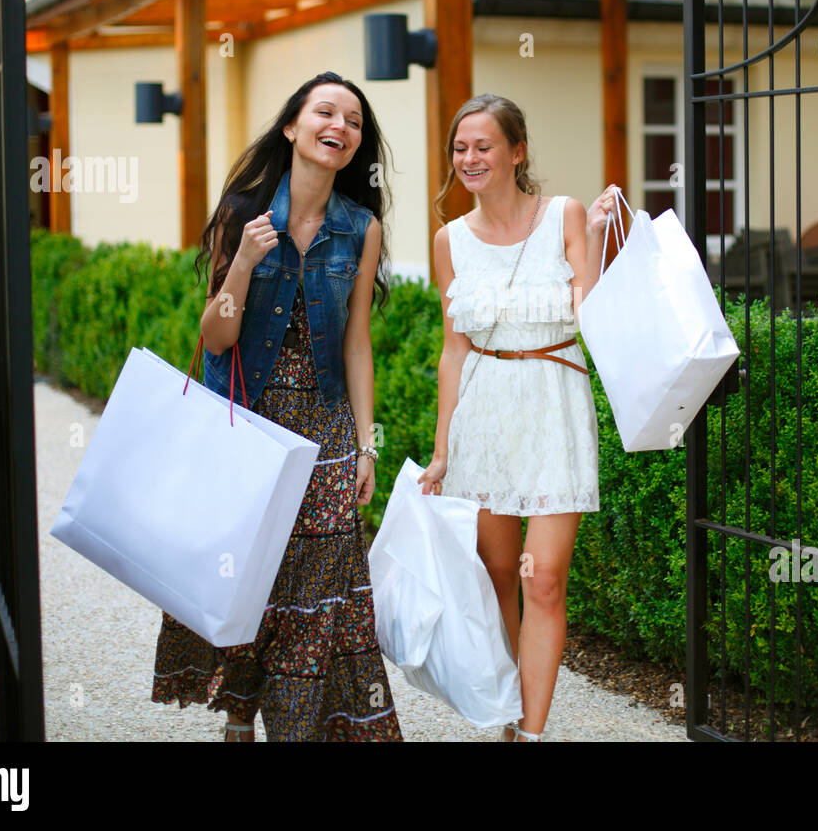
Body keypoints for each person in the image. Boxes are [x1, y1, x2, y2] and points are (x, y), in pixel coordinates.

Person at [151, 72, 403, 742]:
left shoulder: (361, 229)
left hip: (324, 430)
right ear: (293, 126)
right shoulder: (243, 212)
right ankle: (238, 713)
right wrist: (243, 264)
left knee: (315, 592)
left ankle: (293, 728)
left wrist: (365, 444)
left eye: (354, 120)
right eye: (327, 111)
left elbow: (357, 347)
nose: (341, 126)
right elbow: (215, 335)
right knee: (248, 577)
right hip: (248, 423)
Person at [417, 94, 619, 741]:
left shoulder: (564, 215)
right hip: (483, 410)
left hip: (555, 402)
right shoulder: (448, 240)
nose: (470, 159)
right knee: (498, 575)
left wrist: (594, 240)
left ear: (517, 151)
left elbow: (591, 315)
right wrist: (442, 447)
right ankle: (509, 709)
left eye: (484, 146)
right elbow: (453, 350)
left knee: (545, 579)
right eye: (460, 148)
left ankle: (531, 734)